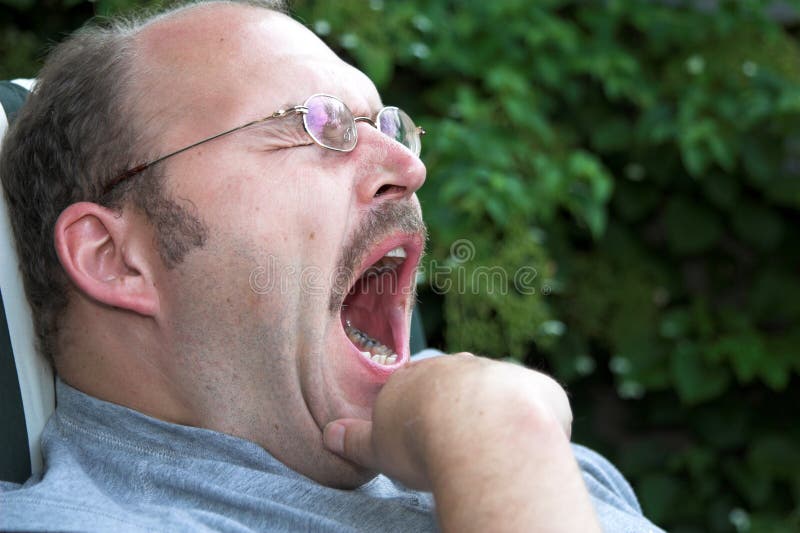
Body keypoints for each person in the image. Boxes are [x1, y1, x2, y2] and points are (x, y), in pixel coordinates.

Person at [0, 1, 663, 531]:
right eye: (315, 125)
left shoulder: (472, 424)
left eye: (389, 127)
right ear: (116, 257)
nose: (411, 169)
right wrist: (502, 438)